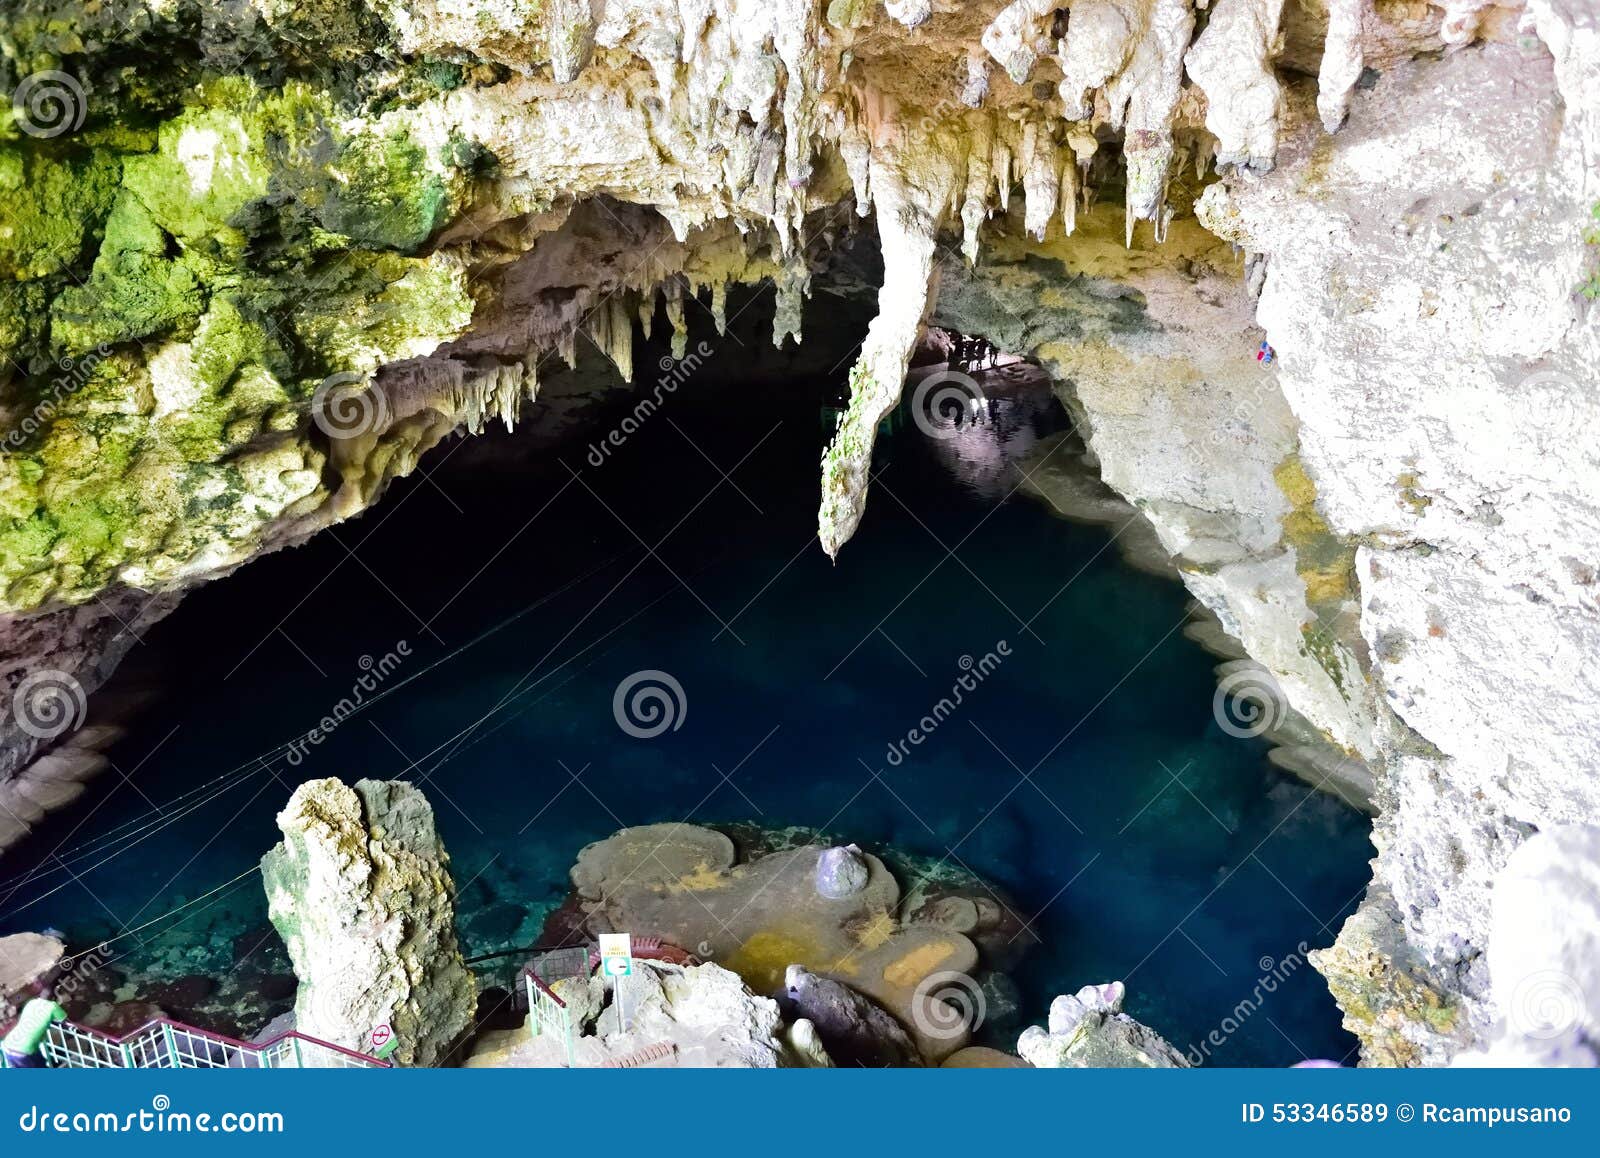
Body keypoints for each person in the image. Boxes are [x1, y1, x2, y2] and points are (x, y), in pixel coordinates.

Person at [2, 990, 67, 1068]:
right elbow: (63, 1020)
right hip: (24, 1051)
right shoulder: (53, 1006)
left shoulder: (31, 1002)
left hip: (9, 1044)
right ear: (53, 998)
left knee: (41, 1061)